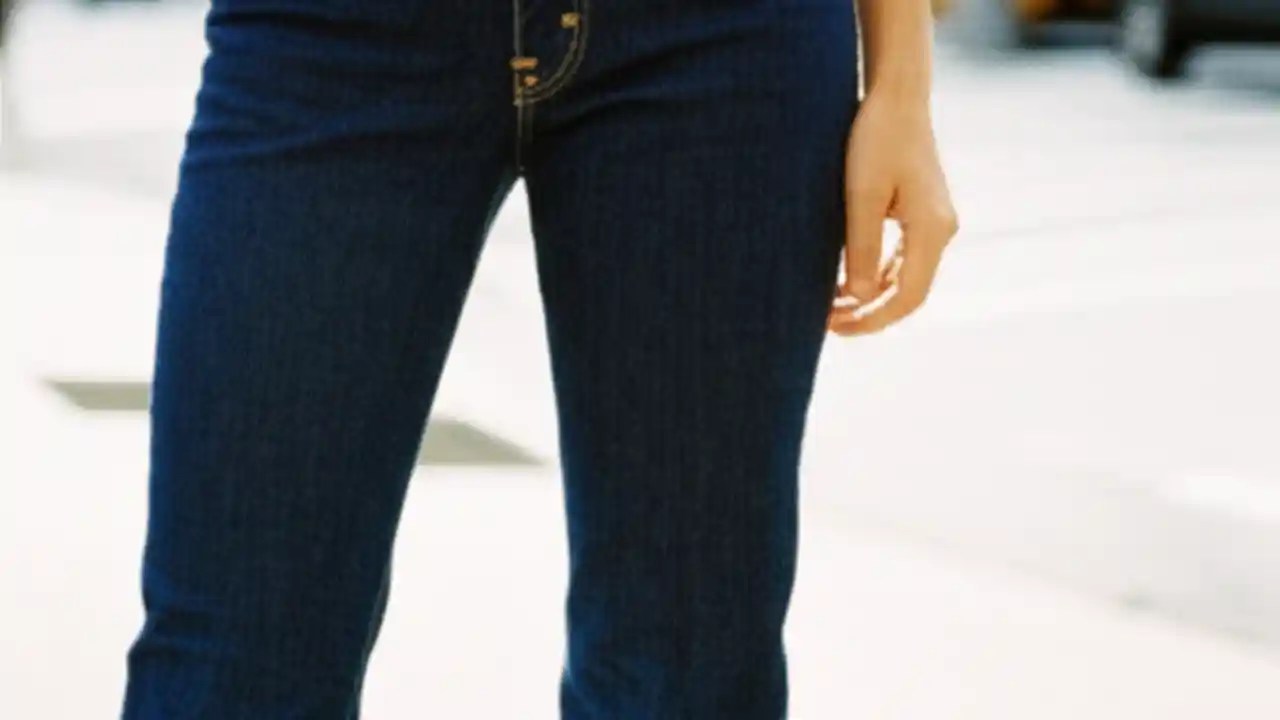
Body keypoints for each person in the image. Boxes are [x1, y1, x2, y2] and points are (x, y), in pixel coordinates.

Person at [120, 0, 958, 717]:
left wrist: (903, 78)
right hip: (337, 39)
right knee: (229, 659)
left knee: (688, 669)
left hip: (718, 43)